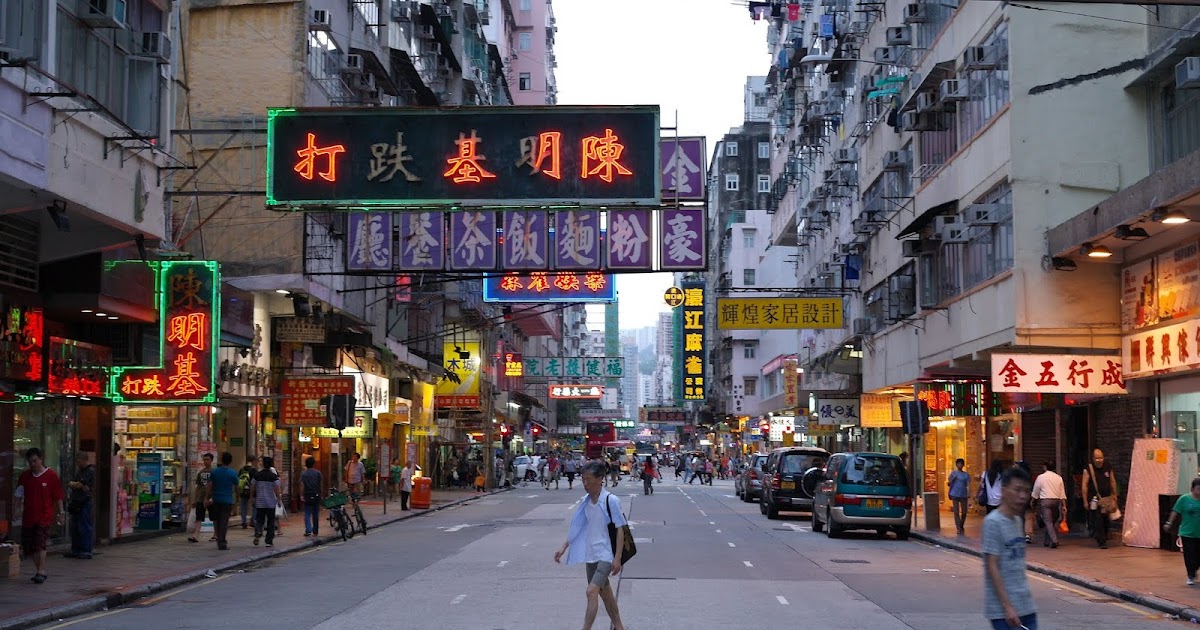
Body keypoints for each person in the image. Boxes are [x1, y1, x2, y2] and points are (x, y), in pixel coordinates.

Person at [553, 460, 628, 630]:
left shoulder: (611, 500)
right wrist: (564, 547)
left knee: (591, 591)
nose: (585, 484)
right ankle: (619, 626)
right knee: (605, 594)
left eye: (588, 480)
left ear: (600, 478)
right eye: (583, 480)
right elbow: (579, 528)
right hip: (591, 554)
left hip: (606, 555)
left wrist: (617, 558)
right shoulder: (586, 502)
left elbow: (620, 529)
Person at [982, 465, 1037, 630]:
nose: (1022, 496)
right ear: (1004, 490)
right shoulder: (993, 522)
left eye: (1026, 491)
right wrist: (1007, 607)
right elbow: (992, 566)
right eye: (1017, 490)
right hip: (1003, 613)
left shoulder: (1018, 521)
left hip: (1026, 606)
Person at [17, 448, 64, 584]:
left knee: (40, 544)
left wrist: (61, 513)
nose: (33, 464)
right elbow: (18, 494)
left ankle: (41, 571)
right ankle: (39, 570)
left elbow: (58, 496)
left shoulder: (51, 476)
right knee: (30, 547)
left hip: (44, 516)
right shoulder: (25, 476)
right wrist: (16, 509)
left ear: (41, 459)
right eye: (30, 462)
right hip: (28, 516)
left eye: (35, 461)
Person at [1163, 476, 1200, 586]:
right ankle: (1190, 575)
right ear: (1192, 489)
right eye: (1198, 488)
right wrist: (1169, 523)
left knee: (1198, 556)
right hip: (1187, 533)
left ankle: (1194, 569)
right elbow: (1175, 511)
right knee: (1189, 555)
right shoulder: (1184, 499)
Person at [1081, 448, 1118, 549]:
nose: (1099, 460)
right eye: (1097, 458)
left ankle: (1103, 536)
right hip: (1094, 499)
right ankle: (1101, 541)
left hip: (1106, 499)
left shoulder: (1108, 466)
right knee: (1098, 519)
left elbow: (1112, 481)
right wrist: (1085, 501)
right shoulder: (1088, 469)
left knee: (1106, 519)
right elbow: (1084, 486)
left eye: (1101, 458)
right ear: (1093, 458)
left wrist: (1115, 494)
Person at [206, 452, 239, 550]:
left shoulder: (215, 472)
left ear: (221, 459)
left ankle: (218, 538)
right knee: (224, 522)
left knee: (217, 520)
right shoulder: (233, 473)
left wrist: (206, 498)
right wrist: (237, 499)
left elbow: (210, 486)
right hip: (227, 501)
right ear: (230, 461)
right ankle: (222, 542)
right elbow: (237, 488)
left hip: (216, 499)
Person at [1031, 461, 1067, 548]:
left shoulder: (1041, 477)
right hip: (1056, 501)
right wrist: (1064, 505)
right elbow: (1062, 493)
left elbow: (1036, 491)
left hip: (1045, 502)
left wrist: (1032, 501)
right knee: (1052, 521)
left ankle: (1054, 540)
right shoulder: (1058, 478)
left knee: (1048, 521)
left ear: (1045, 467)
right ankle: (1047, 540)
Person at [66, 452, 95, 559]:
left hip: (85, 502)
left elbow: (80, 484)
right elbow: (75, 484)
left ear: (84, 460)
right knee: (75, 527)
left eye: (79, 461)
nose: (78, 464)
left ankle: (86, 550)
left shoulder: (90, 471)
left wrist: (75, 484)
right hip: (77, 501)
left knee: (85, 527)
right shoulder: (80, 471)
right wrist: (75, 485)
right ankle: (76, 550)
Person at [251, 456, 282, 547]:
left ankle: (258, 531)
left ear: (263, 464)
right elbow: (277, 489)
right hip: (271, 503)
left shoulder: (257, 475)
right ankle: (269, 541)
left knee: (259, 520)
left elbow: (252, 486)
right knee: (270, 522)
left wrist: (252, 497)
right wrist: (279, 500)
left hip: (260, 502)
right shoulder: (273, 476)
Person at [188, 452, 214, 543]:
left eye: (208, 459)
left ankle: (216, 535)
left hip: (211, 498)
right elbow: (198, 486)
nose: (206, 461)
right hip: (201, 497)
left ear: (211, 461)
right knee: (199, 517)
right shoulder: (201, 473)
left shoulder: (214, 472)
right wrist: (195, 499)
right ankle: (196, 535)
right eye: (204, 459)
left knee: (214, 516)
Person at [947, 458, 971, 535]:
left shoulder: (966, 475)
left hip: (963, 494)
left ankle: (961, 525)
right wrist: (952, 479)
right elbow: (949, 483)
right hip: (955, 494)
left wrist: (968, 493)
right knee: (956, 512)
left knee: (964, 512)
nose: (960, 465)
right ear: (956, 465)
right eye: (958, 464)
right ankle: (958, 528)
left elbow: (968, 484)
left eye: (961, 463)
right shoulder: (953, 473)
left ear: (963, 465)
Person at [300, 456, 322, 536]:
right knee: (315, 514)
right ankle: (315, 530)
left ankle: (308, 530)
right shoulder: (318, 473)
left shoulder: (304, 474)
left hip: (307, 495)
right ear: (313, 464)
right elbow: (320, 484)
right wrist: (320, 493)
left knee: (307, 513)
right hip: (316, 494)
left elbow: (302, 485)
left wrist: (301, 495)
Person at [238, 457, 257, 529]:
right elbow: (255, 482)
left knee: (243, 506)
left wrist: (239, 491)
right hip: (252, 490)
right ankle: (253, 520)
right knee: (255, 506)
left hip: (243, 490)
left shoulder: (242, 469)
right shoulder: (254, 470)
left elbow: (238, 480)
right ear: (254, 461)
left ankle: (244, 522)